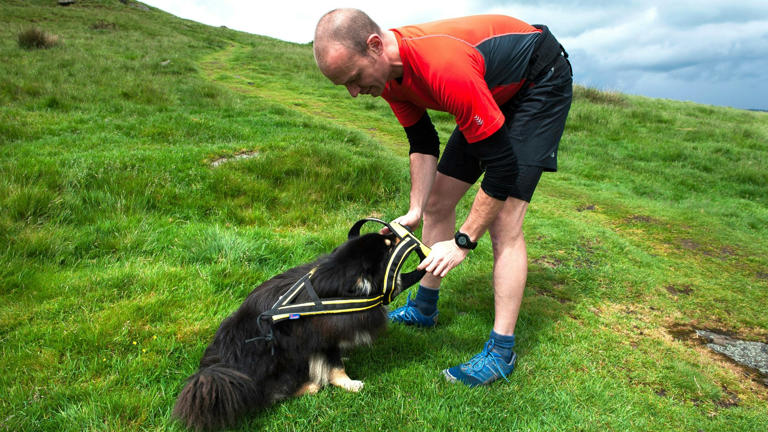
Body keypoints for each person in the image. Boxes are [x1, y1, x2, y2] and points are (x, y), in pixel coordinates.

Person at [313, 9, 572, 387]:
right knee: (437, 204)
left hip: (539, 81)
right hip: (489, 89)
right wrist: (416, 209)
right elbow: (422, 141)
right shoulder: (387, 78)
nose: (354, 92)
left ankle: (501, 351)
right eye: (345, 85)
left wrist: (463, 242)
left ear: (375, 46)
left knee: (504, 221)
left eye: (353, 78)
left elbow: (502, 168)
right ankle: (424, 308)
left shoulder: (443, 67)